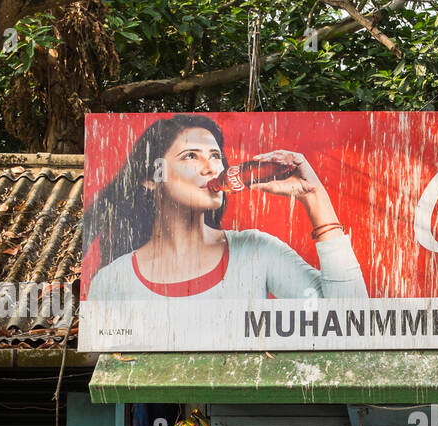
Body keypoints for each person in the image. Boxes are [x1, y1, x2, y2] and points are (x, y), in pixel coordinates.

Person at [85, 114, 367, 302]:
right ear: (150, 178)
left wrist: (314, 196)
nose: (211, 168)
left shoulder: (255, 251)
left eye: (215, 155)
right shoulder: (112, 281)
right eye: (190, 156)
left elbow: (351, 321)